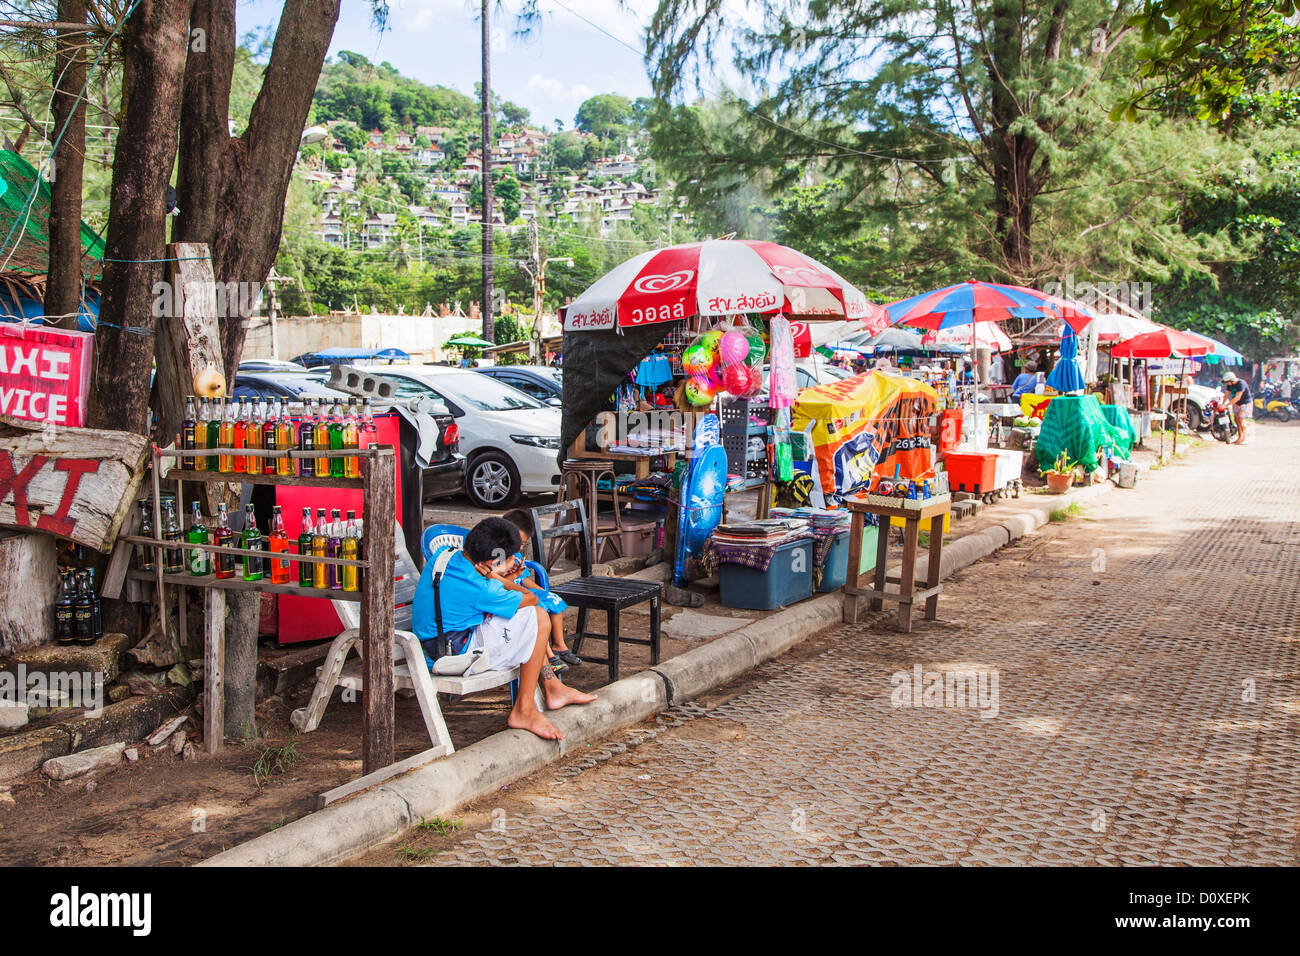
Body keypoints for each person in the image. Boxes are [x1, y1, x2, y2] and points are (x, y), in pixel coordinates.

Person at [412, 517, 596, 740]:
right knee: (537, 618)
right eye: (507, 557)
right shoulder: (482, 587)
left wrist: (494, 575)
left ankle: (553, 686)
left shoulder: (445, 553)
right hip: (453, 654)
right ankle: (524, 709)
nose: (510, 561)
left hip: (435, 640)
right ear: (491, 561)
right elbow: (531, 599)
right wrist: (498, 577)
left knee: (527, 625)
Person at [500, 508, 582, 669]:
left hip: (522, 591)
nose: (520, 547)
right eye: (520, 543)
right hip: (510, 594)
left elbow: (523, 579)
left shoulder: (515, 556)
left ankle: (560, 645)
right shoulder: (499, 556)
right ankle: (548, 656)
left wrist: (543, 592)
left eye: (523, 543)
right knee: (539, 609)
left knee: (552, 599)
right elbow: (501, 583)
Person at [1221, 371, 1252, 445]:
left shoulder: (1241, 384)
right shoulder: (1230, 385)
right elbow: (1227, 394)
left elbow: (1238, 397)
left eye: (1227, 382)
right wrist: (1222, 403)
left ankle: (1244, 439)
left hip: (1245, 404)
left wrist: (1226, 405)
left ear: (1231, 381)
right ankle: (1239, 438)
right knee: (1236, 420)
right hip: (1236, 404)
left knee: (1242, 421)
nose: (1227, 384)